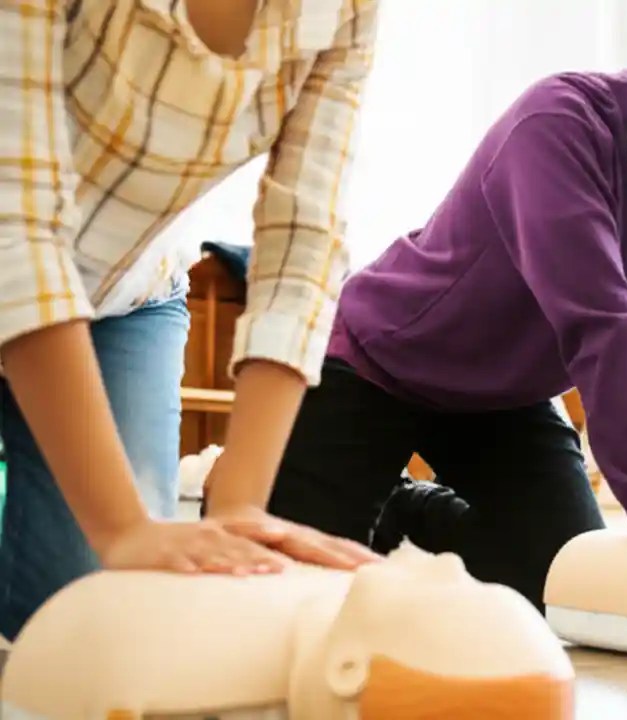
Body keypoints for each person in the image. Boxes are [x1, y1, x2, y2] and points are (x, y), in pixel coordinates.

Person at [261, 0, 627, 611]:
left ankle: (403, 509)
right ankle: (318, 485)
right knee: (295, 580)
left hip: (505, 398)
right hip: (384, 361)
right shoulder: (557, 121)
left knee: (563, 580)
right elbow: (601, 320)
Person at [0, 0, 383, 638]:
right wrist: (120, 525)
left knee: (109, 610)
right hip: (19, 241)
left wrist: (239, 506)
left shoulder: (347, 11)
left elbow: (304, 242)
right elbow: (16, 222)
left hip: (123, 297)